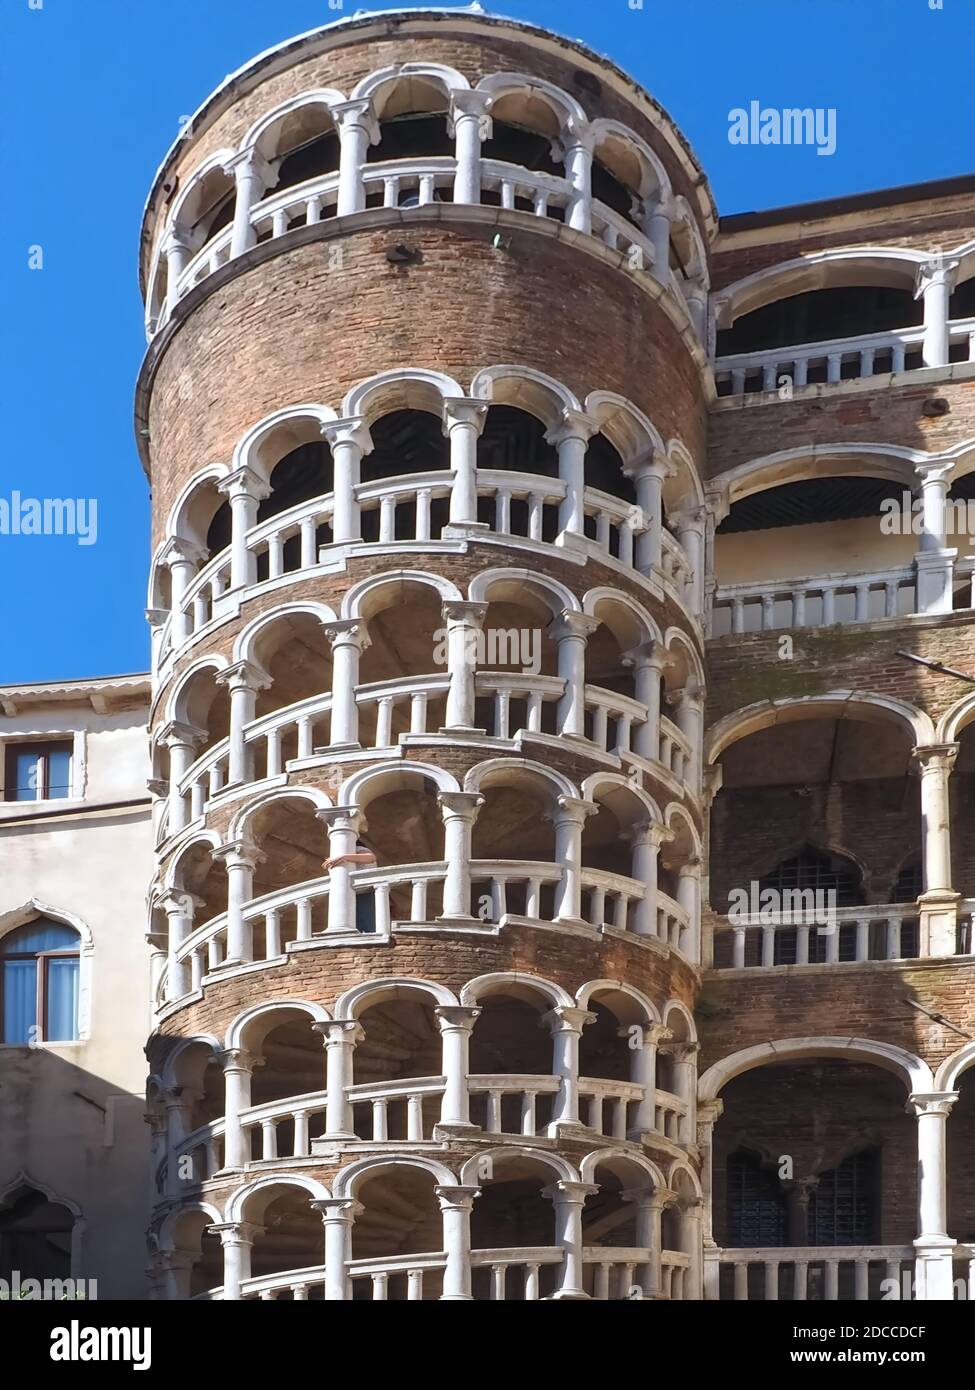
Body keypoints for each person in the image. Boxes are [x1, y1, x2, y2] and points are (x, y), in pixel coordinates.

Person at [323, 834, 378, 933]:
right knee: (354, 921)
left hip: (364, 890)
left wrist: (344, 856)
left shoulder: (357, 848)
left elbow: (370, 858)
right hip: (351, 891)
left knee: (367, 922)